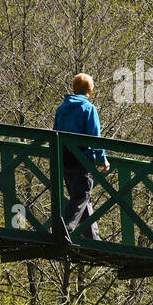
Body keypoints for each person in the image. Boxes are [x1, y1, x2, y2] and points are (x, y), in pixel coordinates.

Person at [52, 73, 110, 240]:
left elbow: (55, 132)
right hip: (82, 160)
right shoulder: (89, 109)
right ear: (90, 92)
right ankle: (65, 229)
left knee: (82, 197)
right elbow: (94, 136)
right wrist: (103, 158)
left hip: (65, 159)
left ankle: (93, 238)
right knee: (82, 195)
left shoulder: (61, 109)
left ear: (73, 89)